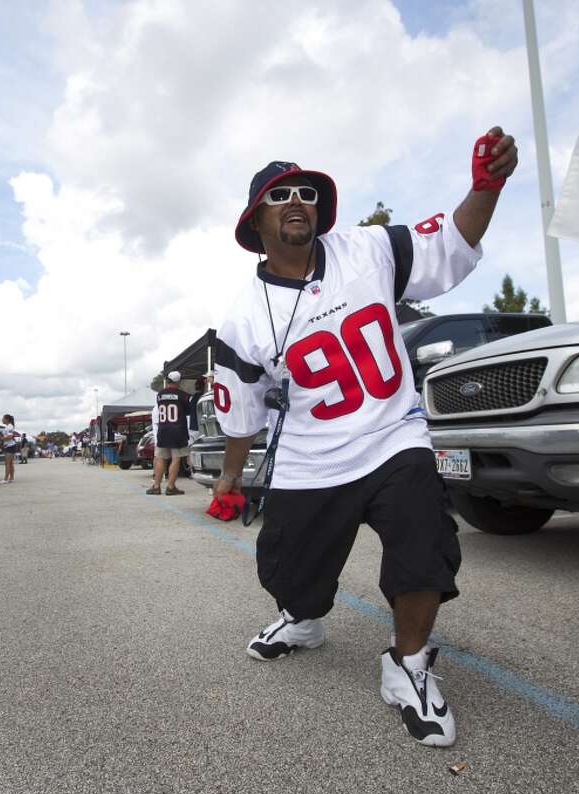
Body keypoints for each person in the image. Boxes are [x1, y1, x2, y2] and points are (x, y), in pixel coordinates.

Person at [211, 130, 518, 748]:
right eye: (279, 196)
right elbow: (241, 413)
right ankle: (301, 618)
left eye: (306, 193)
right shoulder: (242, 318)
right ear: (255, 221)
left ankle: (407, 663)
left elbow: (451, 244)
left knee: (425, 541)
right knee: (288, 574)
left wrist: (487, 185)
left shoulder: (370, 248)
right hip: (309, 459)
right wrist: (229, 479)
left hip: (391, 436)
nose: (296, 202)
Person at [147, 370, 190, 496]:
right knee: (175, 458)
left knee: (161, 458)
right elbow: (187, 411)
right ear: (179, 382)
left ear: (168, 380)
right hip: (177, 431)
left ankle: (156, 486)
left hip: (163, 430)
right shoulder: (183, 396)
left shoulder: (160, 395)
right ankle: (171, 487)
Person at [0, 414, 19, 484]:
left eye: (3, 418)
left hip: (10, 446)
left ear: (7, 419)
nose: (2, 419)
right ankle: (11, 478)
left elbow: (10, 437)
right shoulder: (8, 426)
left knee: (7, 463)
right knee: (10, 463)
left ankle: (6, 479)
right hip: (9, 446)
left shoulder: (10, 426)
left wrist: (2, 438)